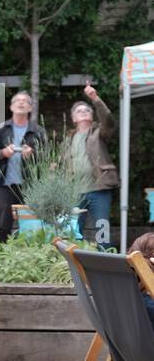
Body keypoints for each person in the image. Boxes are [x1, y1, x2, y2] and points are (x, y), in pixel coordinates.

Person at [70, 84, 119, 248]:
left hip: (99, 190)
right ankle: (74, 264)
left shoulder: (100, 132)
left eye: (87, 110)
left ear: (92, 116)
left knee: (102, 228)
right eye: (79, 111)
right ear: (74, 119)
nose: (84, 111)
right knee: (74, 231)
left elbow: (109, 121)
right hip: (75, 192)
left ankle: (105, 258)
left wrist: (95, 99)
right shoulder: (68, 139)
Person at [0, 92, 45, 242]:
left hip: (30, 185)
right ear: (11, 106)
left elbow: (47, 155)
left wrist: (33, 154)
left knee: (31, 222)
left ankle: (29, 253)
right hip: (4, 184)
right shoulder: (0, 128)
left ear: (30, 108)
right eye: (17, 100)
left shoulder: (38, 131)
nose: (21, 103)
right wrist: (3, 153)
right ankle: (3, 253)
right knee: (4, 223)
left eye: (25, 101)